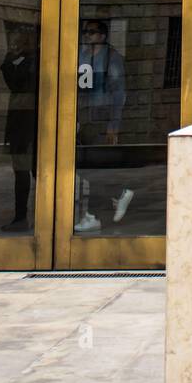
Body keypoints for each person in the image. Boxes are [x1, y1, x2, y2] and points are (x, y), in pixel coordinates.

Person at [75, 18, 133, 232]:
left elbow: (119, 92)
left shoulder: (111, 57)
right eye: (85, 32)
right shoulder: (82, 55)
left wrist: (113, 124)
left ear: (102, 36)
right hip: (84, 114)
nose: (87, 36)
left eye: (91, 32)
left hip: (101, 113)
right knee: (84, 163)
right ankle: (116, 194)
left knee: (95, 163)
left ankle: (100, 209)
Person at [0, 24, 39, 231]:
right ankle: (26, 217)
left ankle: (23, 217)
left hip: (27, 125)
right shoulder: (28, 61)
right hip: (25, 125)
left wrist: (9, 59)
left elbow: (15, 83)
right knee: (27, 171)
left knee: (26, 171)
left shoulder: (31, 62)